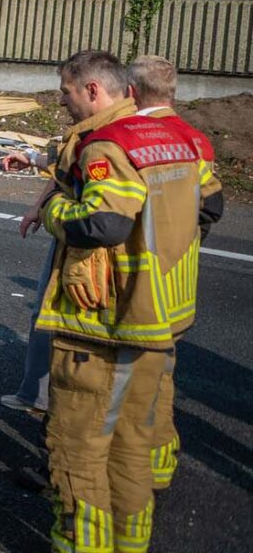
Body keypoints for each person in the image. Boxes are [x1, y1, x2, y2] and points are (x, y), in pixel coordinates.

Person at [26, 50, 202, 553]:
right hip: (159, 320)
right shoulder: (175, 138)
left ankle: (83, 545)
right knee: (130, 448)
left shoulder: (105, 144)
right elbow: (208, 206)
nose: (62, 101)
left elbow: (104, 223)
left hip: (103, 325)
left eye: (66, 92)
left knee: (77, 451)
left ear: (93, 92)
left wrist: (57, 209)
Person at [127, 55, 223, 493]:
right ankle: (162, 465)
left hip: (143, 290)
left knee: (136, 388)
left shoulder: (131, 139)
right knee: (163, 378)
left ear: (132, 91)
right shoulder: (195, 139)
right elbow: (213, 206)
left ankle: (135, 471)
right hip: (180, 289)